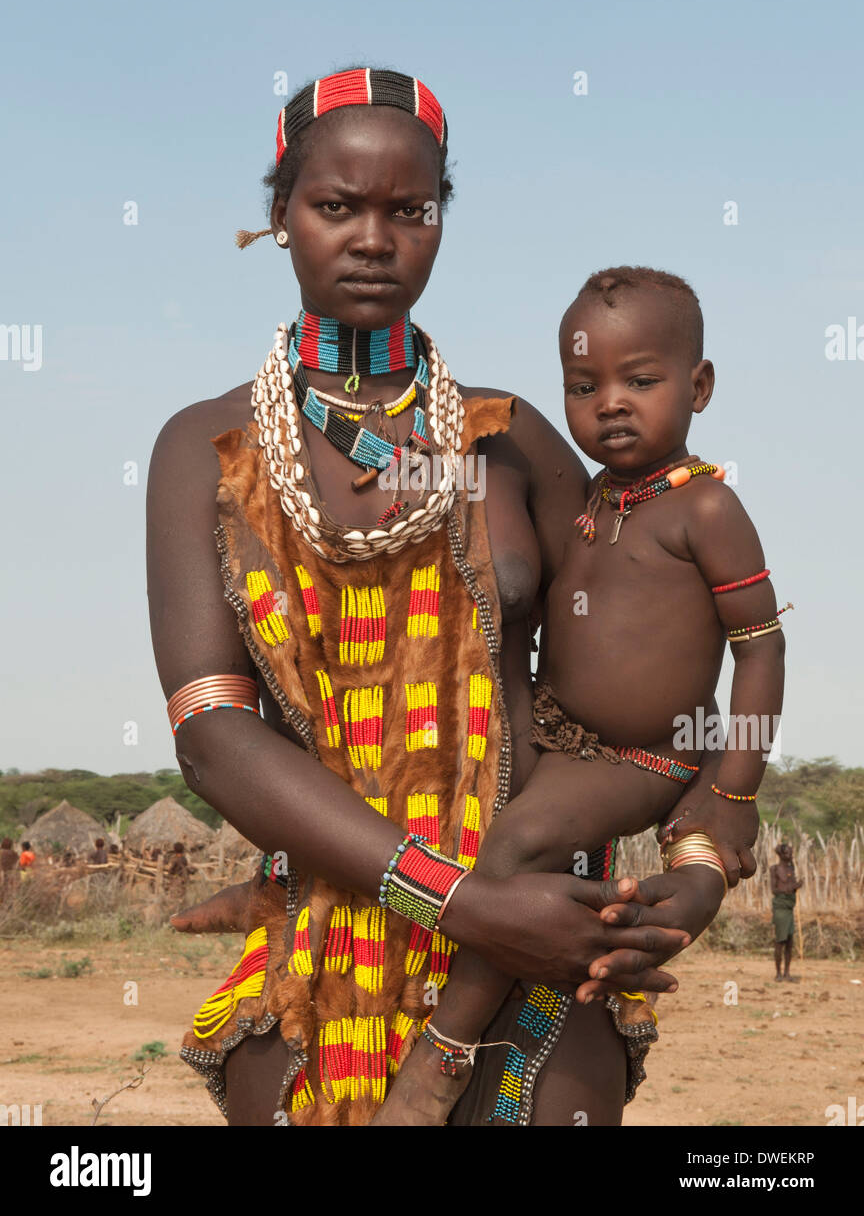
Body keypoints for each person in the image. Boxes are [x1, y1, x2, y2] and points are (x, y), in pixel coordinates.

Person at [147, 67, 734, 1128]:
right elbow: (214, 734)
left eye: (409, 211)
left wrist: (697, 865)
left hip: (542, 925)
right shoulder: (207, 449)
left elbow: (664, 663)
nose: (375, 238)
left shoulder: (514, 446)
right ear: (280, 215)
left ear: (440, 221)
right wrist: (463, 903)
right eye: (336, 207)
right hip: (329, 926)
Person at [375, 267, 786, 1123]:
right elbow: (488, 498)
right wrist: (423, 475)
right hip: (559, 736)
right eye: (583, 386)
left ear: (699, 386)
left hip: (643, 752)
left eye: (641, 381)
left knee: (514, 844)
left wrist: (733, 786)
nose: (610, 404)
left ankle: (442, 1054)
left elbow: (761, 645)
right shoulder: (597, 498)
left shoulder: (706, 508)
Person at [770, 842, 802, 981]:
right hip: (780, 908)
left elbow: (791, 887)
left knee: (790, 942)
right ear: (781, 855)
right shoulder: (775, 869)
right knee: (780, 941)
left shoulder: (791, 869)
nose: (791, 855)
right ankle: (778, 973)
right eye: (788, 853)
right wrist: (792, 887)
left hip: (789, 908)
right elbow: (774, 890)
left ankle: (787, 973)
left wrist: (796, 886)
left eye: (791, 853)